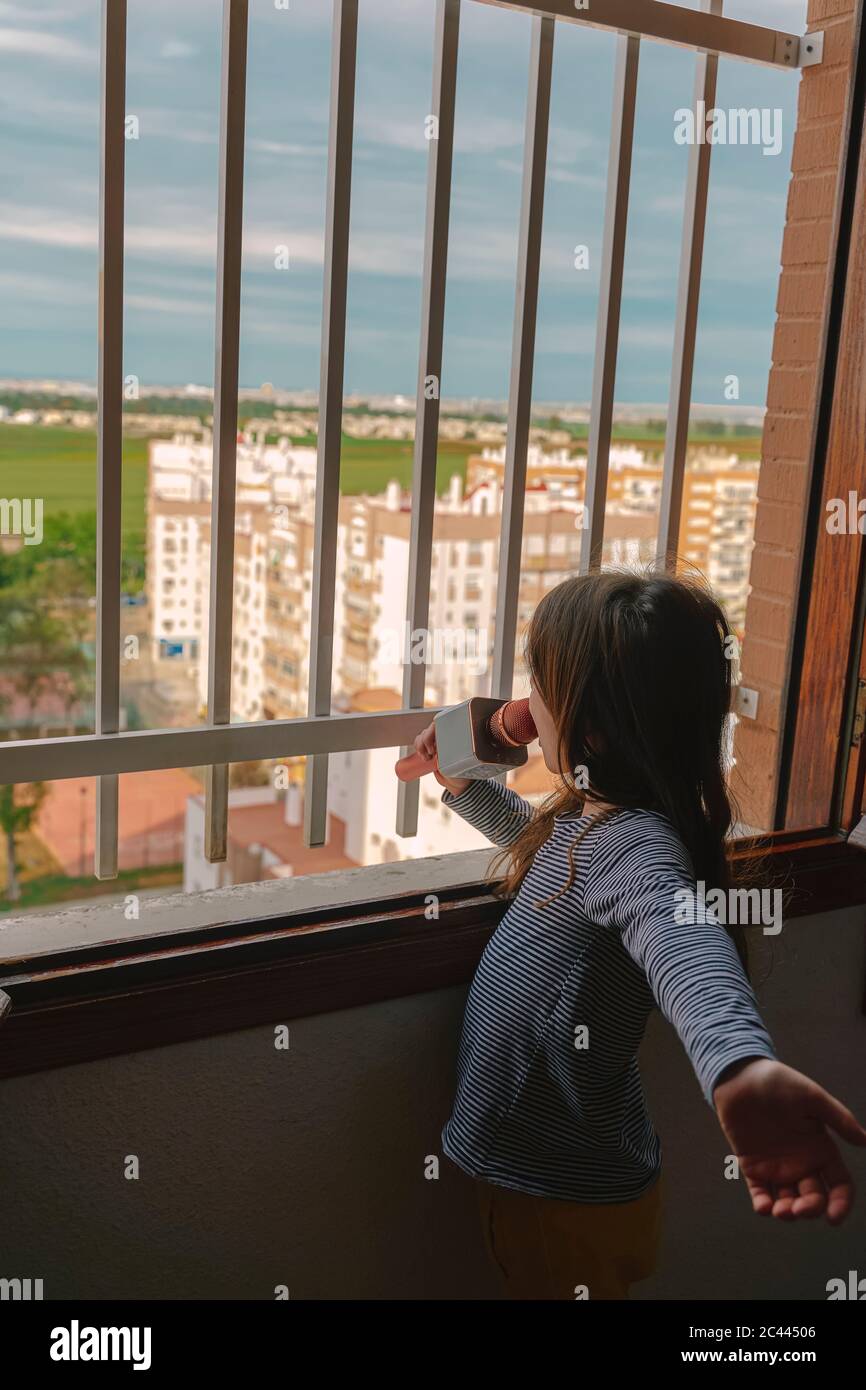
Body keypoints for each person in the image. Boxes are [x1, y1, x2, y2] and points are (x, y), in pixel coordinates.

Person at [408, 569, 866, 1300]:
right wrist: (465, 775)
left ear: (591, 726)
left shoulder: (638, 846)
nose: (527, 701)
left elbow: (686, 943)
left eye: (542, 683)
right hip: (552, 1180)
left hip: (567, 1196)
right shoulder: (597, 815)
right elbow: (545, 859)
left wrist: (739, 1064)